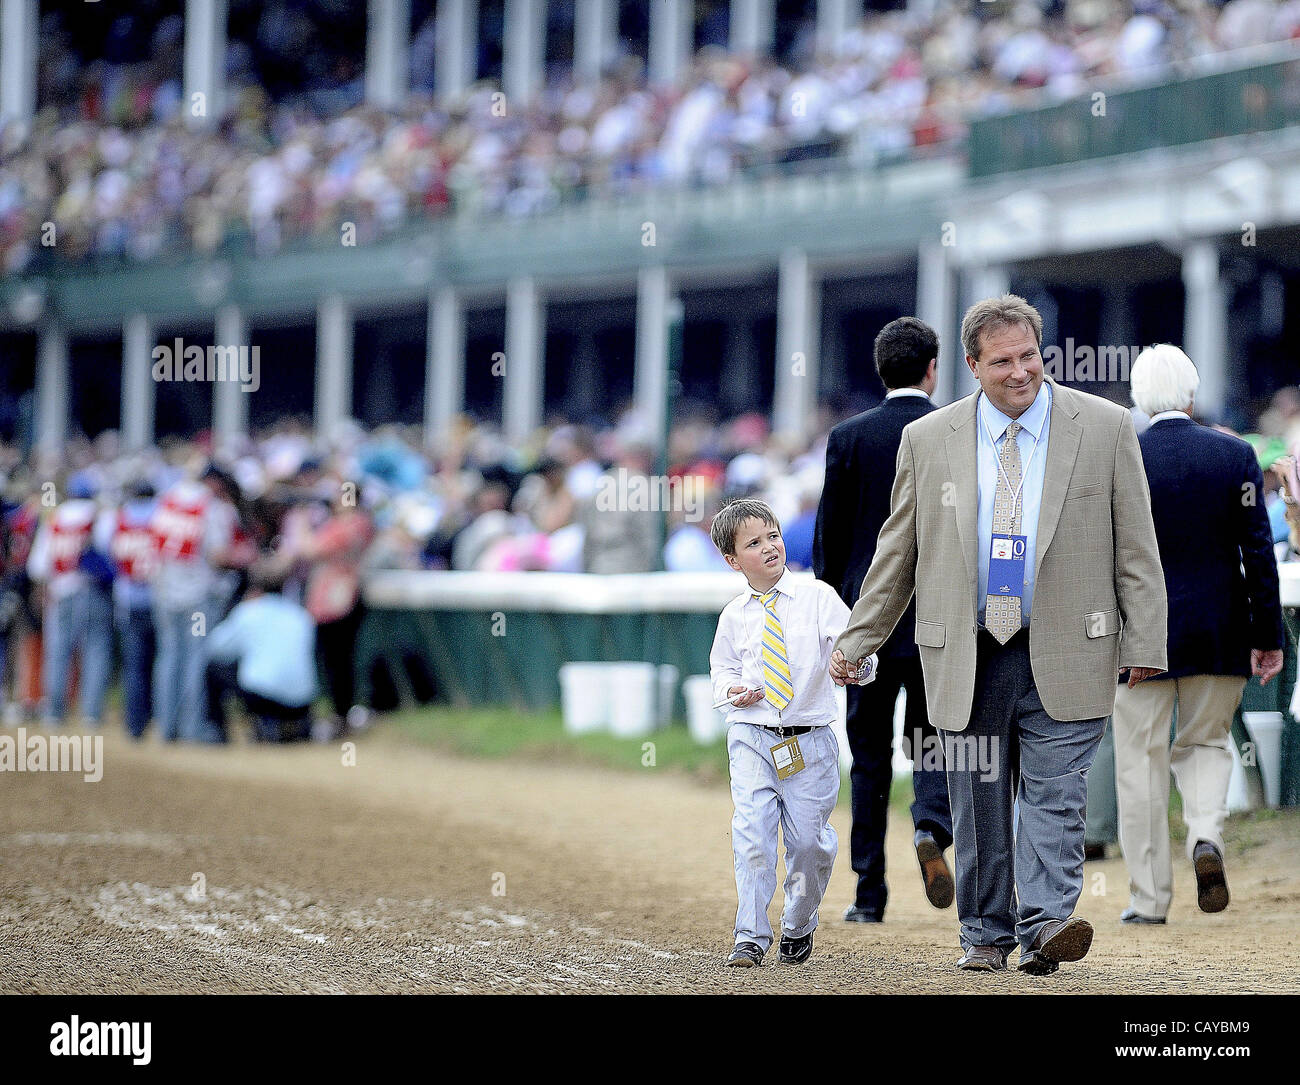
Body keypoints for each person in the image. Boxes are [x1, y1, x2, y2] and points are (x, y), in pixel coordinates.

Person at [830, 294, 1168, 976]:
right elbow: (898, 554)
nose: (1021, 372)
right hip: (968, 648)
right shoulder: (928, 440)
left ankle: (1044, 923)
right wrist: (857, 639)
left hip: (1070, 643)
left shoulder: (1104, 427)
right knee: (978, 797)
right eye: (1004, 361)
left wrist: (1145, 643)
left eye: (1030, 357)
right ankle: (985, 931)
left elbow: (1137, 547)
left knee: (1056, 791)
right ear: (970, 365)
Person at [1113, 344, 1284, 923]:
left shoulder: (1123, 457)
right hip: (1218, 626)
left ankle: (1148, 900)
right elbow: (1258, 552)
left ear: (1139, 397)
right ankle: (1205, 835)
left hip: (1138, 636)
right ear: (1191, 393)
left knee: (1140, 761)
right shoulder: (1235, 454)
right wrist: (1268, 634)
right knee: (1208, 744)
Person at [813, 315, 955, 923]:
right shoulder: (954, 431)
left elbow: (829, 540)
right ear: (933, 369)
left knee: (868, 757)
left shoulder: (849, 437)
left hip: (866, 621)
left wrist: (837, 619)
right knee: (931, 743)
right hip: (937, 622)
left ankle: (868, 895)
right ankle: (931, 826)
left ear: (880, 370)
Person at [708, 497, 864, 967]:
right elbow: (722, 670)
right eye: (754, 543)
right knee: (753, 835)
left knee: (807, 843)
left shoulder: (818, 597)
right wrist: (734, 689)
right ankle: (750, 935)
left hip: (809, 740)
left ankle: (799, 922)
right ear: (734, 560)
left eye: (772, 535)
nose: (770, 547)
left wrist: (855, 664)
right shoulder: (734, 616)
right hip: (753, 736)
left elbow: (853, 645)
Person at [26, 473, 114, 729]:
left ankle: (54, 711)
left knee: (58, 651)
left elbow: (38, 567)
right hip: (92, 591)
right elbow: (111, 555)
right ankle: (91, 713)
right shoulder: (99, 515)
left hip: (60, 591)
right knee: (95, 651)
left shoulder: (55, 517)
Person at [206, 565, 318, 743]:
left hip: (262, 698)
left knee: (211, 669)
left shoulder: (249, 612)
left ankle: (216, 733)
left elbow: (215, 648)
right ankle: (293, 725)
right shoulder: (301, 615)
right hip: (302, 699)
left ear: (255, 589)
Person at [108, 479, 159, 740]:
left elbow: (110, 554)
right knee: (161, 662)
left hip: (129, 600)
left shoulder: (120, 517)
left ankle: (135, 724)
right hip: (159, 599)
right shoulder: (161, 513)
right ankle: (163, 719)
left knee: (135, 665)